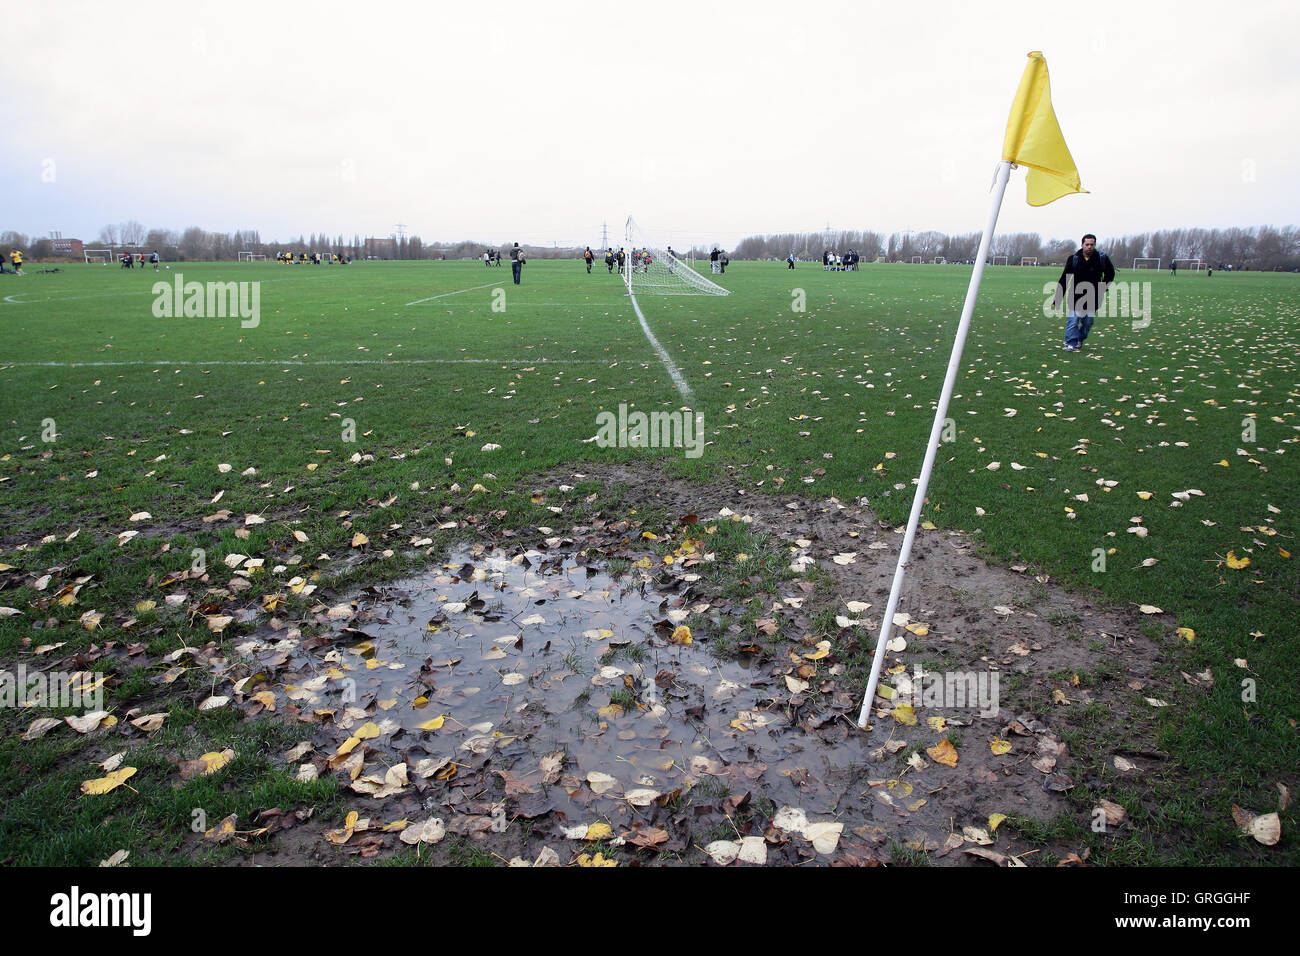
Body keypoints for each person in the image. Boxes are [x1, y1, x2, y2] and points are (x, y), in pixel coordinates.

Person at [1053, 233, 1116, 352]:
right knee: (1073, 321)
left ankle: (1079, 339)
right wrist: (1058, 298)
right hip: (1076, 296)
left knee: (1088, 322)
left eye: (1092, 244)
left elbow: (1110, 274)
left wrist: (1103, 287)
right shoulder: (1074, 259)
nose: (1089, 247)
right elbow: (1065, 278)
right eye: (1087, 244)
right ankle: (1070, 343)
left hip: (1094, 297)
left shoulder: (1102, 258)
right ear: (1082, 245)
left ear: (1094, 245)